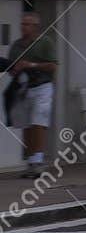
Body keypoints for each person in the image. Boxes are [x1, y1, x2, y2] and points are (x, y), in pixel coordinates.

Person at [6, 12, 57, 179]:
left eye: (27, 24)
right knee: (26, 124)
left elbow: (53, 66)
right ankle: (31, 161)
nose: (23, 27)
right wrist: (15, 69)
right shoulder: (16, 46)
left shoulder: (45, 43)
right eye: (22, 24)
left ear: (35, 27)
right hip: (25, 88)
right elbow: (11, 68)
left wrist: (31, 64)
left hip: (42, 86)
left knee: (38, 122)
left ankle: (38, 162)